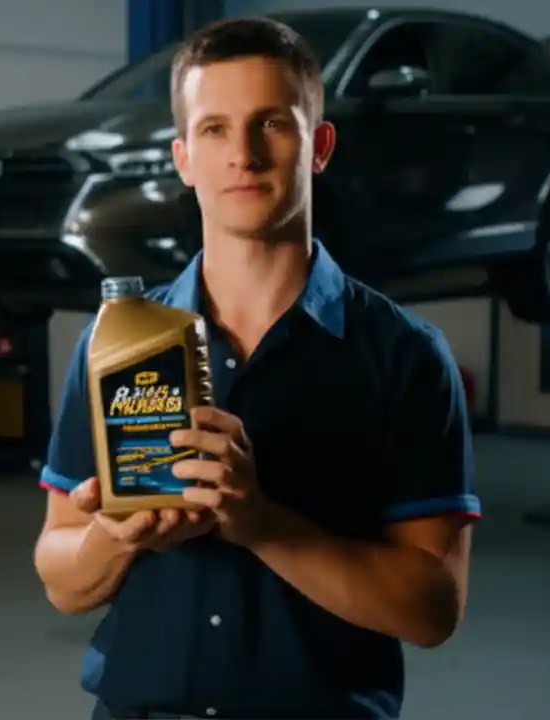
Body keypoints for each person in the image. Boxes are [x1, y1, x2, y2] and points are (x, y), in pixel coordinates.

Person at [32, 16, 481, 720]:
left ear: (319, 145)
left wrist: (264, 523)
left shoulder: (405, 357)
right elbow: (60, 576)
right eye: (214, 129)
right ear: (183, 157)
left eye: (271, 124)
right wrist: (113, 537)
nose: (242, 153)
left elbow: (432, 608)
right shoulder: (113, 344)